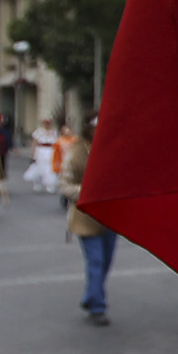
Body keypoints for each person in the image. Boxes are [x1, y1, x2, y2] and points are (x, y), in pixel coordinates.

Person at [59, 115, 114, 326]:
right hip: (86, 216)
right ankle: (98, 306)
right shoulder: (76, 151)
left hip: (109, 216)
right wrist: (87, 192)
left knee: (105, 261)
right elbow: (64, 184)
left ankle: (90, 296)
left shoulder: (110, 148)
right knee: (96, 260)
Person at [24, 118, 59, 194]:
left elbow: (57, 143)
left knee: (50, 168)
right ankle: (37, 183)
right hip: (40, 150)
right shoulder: (39, 132)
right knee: (39, 167)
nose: (47, 125)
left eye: (48, 123)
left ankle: (50, 184)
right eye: (46, 123)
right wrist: (32, 154)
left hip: (50, 150)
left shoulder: (54, 132)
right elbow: (34, 143)